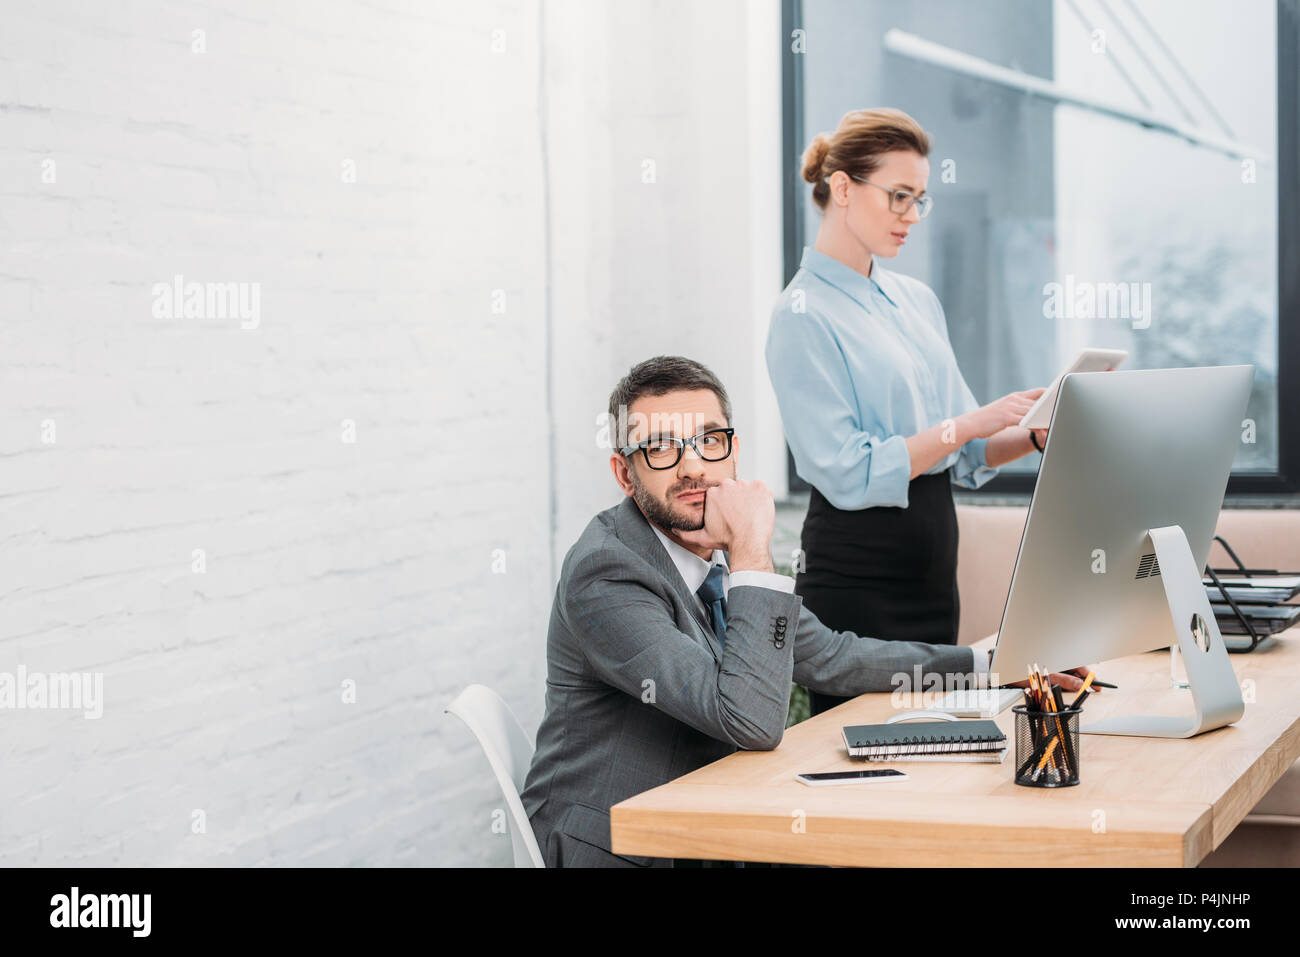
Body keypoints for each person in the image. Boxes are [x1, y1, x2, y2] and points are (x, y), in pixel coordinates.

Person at [519, 356, 1084, 868]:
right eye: (662, 447)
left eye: (709, 440)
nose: (693, 466)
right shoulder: (607, 573)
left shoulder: (706, 541)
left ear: (732, 451)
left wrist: (992, 663)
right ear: (625, 473)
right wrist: (750, 552)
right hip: (621, 846)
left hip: (709, 827)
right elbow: (749, 721)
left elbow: (831, 654)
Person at [766, 108, 1049, 717]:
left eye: (920, 199)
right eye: (898, 197)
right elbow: (847, 471)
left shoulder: (916, 301)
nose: (911, 217)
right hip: (856, 583)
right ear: (842, 188)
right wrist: (971, 424)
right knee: (863, 776)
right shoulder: (801, 316)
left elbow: (969, 452)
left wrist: (1032, 434)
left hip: (930, 581)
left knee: (935, 762)